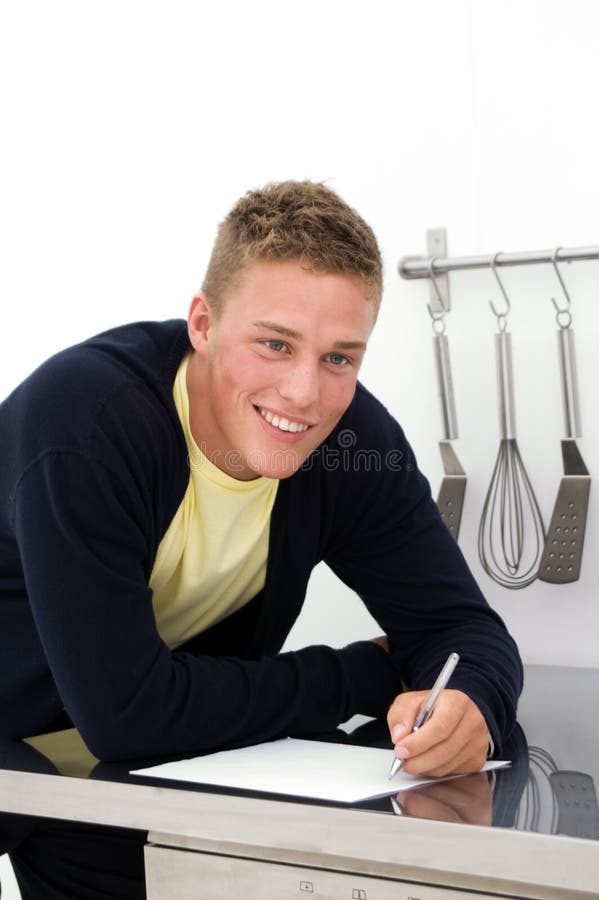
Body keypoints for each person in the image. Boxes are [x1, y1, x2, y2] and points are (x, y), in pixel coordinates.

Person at [0, 180, 523, 898]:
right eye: (275, 344)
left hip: (113, 780)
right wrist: (369, 674)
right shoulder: (87, 425)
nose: (305, 393)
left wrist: (472, 701)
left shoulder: (349, 447)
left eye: (339, 358)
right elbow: (128, 713)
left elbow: (461, 628)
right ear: (204, 324)